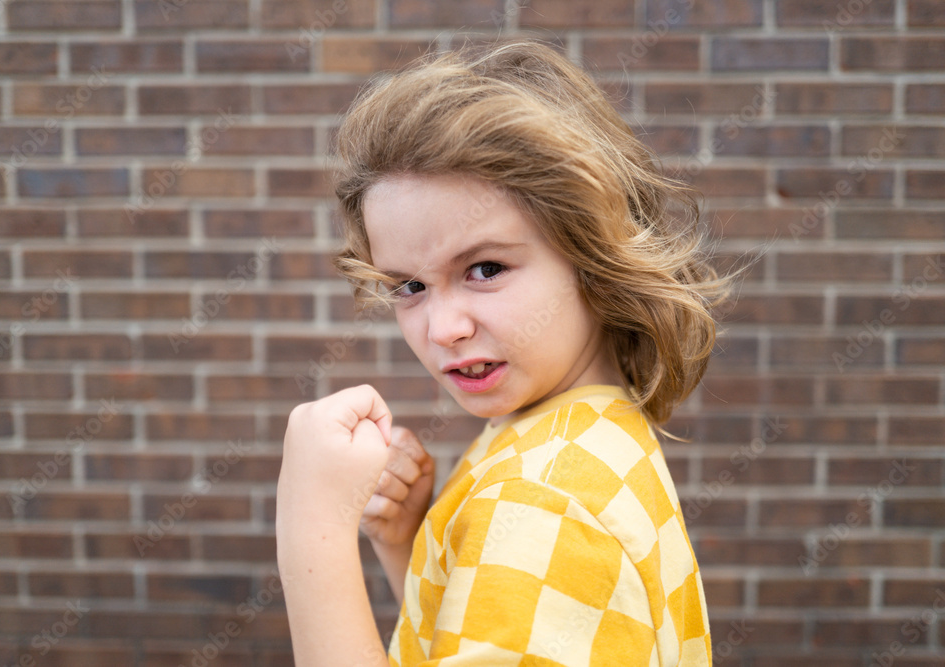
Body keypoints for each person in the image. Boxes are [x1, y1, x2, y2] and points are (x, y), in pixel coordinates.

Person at [275, 39, 729, 666]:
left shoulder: (540, 500)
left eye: (485, 269)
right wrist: (408, 542)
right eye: (409, 286)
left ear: (592, 255)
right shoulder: (571, 434)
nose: (444, 328)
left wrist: (312, 528)